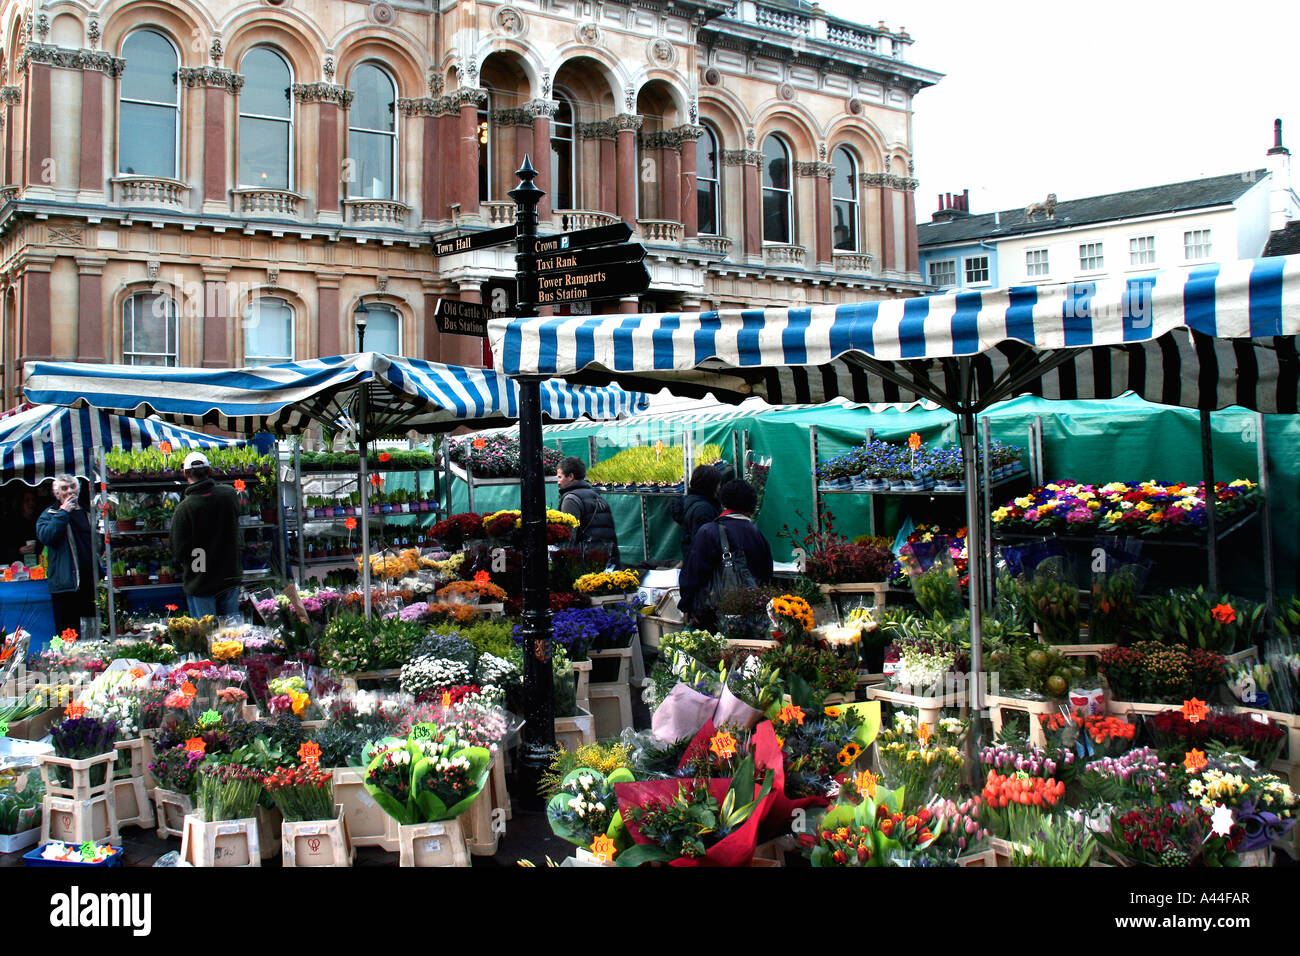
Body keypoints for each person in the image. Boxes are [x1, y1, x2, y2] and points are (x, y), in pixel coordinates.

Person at [678, 479, 773, 629]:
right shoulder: (758, 536)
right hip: (750, 619)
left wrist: (687, 606)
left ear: (723, 501)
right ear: (752, 505)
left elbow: (692, 574)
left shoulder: (709, 531)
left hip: (711, 617)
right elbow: (766, 575)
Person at [170, 451, 243, 619]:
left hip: (201, 579)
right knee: (233, 635)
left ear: (185, 474)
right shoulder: (229, 495)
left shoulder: (185, 508)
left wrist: (199, 563)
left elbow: (178, 549)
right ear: (210, 471)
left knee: (206, 635)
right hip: (229, 574)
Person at [35, 475, 96, 636]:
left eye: (72, 487)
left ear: (78, 489)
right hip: (66, 586)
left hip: (90, 582)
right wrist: (63, 513)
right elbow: (46, 537)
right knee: (67, 634)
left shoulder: (88, 512)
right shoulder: (49, 514)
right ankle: (66, 661)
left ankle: (94, 661)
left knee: (92, 632)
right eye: (64, 488)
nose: (69, 491)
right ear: (57, 494)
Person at [556, 456, 620, 566]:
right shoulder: (596, 496)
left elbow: (569, 537)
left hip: (587, 562)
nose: (558, 482)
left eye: (559, 477)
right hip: (608, 560)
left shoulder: (570, 500)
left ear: (571, 476)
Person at [669, 464, 721, 563]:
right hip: (701, 567)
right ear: (711, 485)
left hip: (693, 562)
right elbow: (703, 546)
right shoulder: (703, 509)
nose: (720, 487)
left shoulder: (692, 501)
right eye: (718, 484)